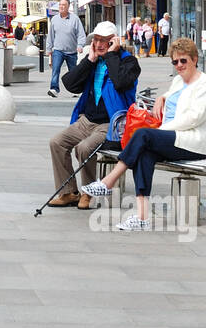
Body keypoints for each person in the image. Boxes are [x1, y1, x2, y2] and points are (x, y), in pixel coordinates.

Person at [81, 36, 206, 230]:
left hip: (192, 142)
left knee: (143, 135)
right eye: (175, 61)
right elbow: (171, 96)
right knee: (144, 153)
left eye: (183, 60)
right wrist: (161, 98)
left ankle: (108, 182)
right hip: (174, 139)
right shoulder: (179, 82)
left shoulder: (205, 84)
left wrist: (161, 131)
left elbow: (194, 118)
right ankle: (141, 216)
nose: (179, 65)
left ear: (194, 59)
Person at [46, 21, 140, 210]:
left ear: (114, 42)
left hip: (111, 123)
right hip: (86, 120)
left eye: (103, 41)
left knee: (84, 148)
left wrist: (112, 54)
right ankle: (68, 192)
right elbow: (70, 84)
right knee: (57, 142)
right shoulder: (93, 60)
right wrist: (88, 62)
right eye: (95, 40)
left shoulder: (129, 62)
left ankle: (88, 193)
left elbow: (121, 82)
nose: (97, 44)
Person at [45, 0, 87, 98]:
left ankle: (75, 90)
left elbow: (81, 34)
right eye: (60, 5)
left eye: (64, 5)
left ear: (68, 7)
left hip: (71, 51)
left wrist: (80, 45)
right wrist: (48, 49)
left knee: (73, 72)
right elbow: (50, 35)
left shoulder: (75, 19)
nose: (61, 6)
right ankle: (54, 89)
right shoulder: (54, 19)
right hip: (58, 50)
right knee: (55, 70)